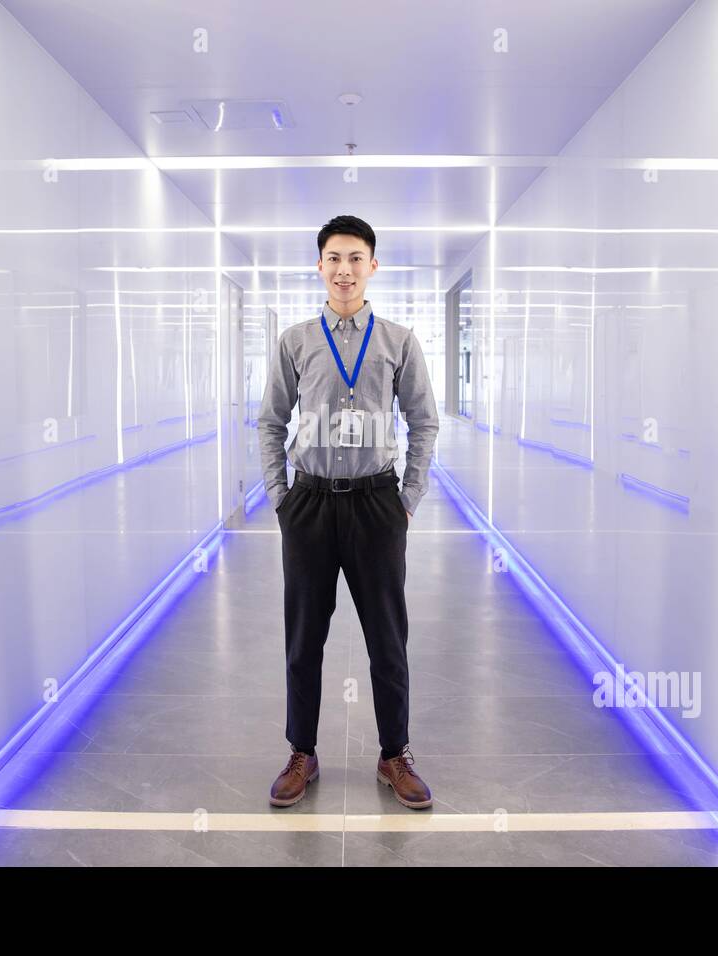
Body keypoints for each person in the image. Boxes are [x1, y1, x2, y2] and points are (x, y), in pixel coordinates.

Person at [257, 214, 440, 810]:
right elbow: (271, 422)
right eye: (334, 258)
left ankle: (394, 754)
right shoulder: (294, 341)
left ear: (372, 266)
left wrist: (406, 500)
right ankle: (301, 753)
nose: (344, 269)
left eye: (355, 258)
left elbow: (424, 420)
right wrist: (280, 498)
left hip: (375, 504)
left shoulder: (397, 341)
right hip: (308, 503)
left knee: (388, 640)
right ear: (319, 266)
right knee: (303, 639)